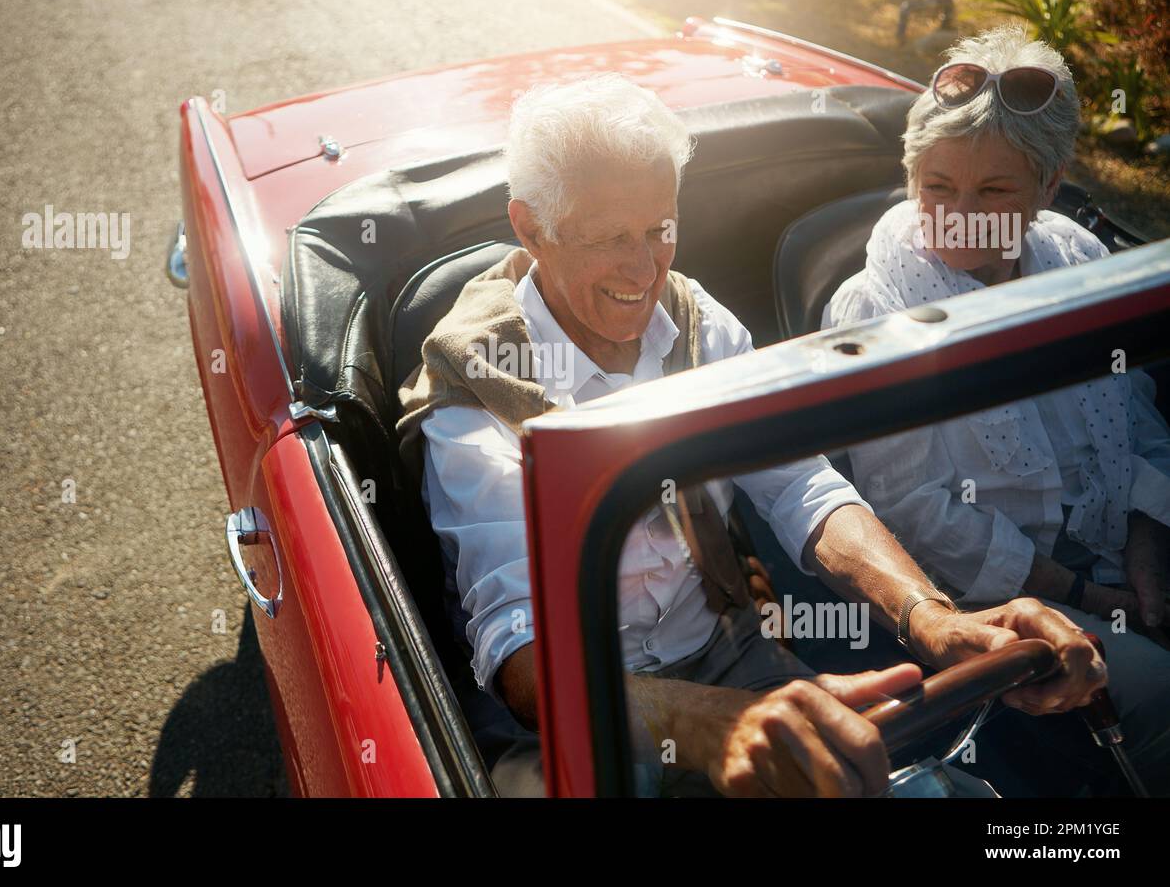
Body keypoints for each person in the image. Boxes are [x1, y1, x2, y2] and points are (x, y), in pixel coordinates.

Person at [397, 72, 1107, 797]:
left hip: (731, 656)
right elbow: (522, 652)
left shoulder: (702, 323)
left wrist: (931, 621)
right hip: (559, 719)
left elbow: (800, 483)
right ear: (529, 229)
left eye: (659, 229)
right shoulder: (476, 380)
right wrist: (713, 727)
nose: (644, 271)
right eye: (610, 238)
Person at [823, 25, 1170, 794]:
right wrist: (1090, 598)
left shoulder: (1077, 259)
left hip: (1128, 554)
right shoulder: (871, 306)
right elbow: (918, 512)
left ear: (1049, 190)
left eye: (994, 192)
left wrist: (1148, 559)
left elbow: (1139, 415)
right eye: (938, 186)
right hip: (1007, 603)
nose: (957, 215)